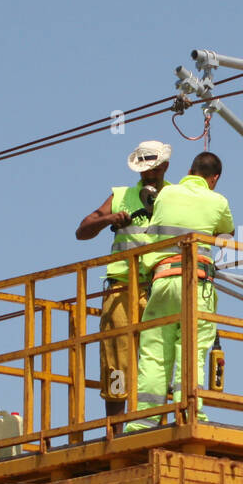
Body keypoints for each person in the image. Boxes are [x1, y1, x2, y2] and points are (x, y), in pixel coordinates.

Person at [125, 151, 233, 432]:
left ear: (188, 170)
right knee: (192, 348)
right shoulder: (218, 201)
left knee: (154, 351)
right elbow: (226, 237)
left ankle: (142, 421)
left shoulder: (166, 195)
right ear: (215, 179)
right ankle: (190, 410)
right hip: (196, 283)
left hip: (161, 280)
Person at [75, 140, 172, 432]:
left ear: (165, 166)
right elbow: (82, 231)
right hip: (121, 289)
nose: (148, 175)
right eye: (144, 170)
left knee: (160, 358)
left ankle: (155, 425)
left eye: (153, 170)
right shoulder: (121, 196)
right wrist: (108, 219)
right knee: (116, 359)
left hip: (161, 286)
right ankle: (116, 430)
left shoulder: (176, 196)